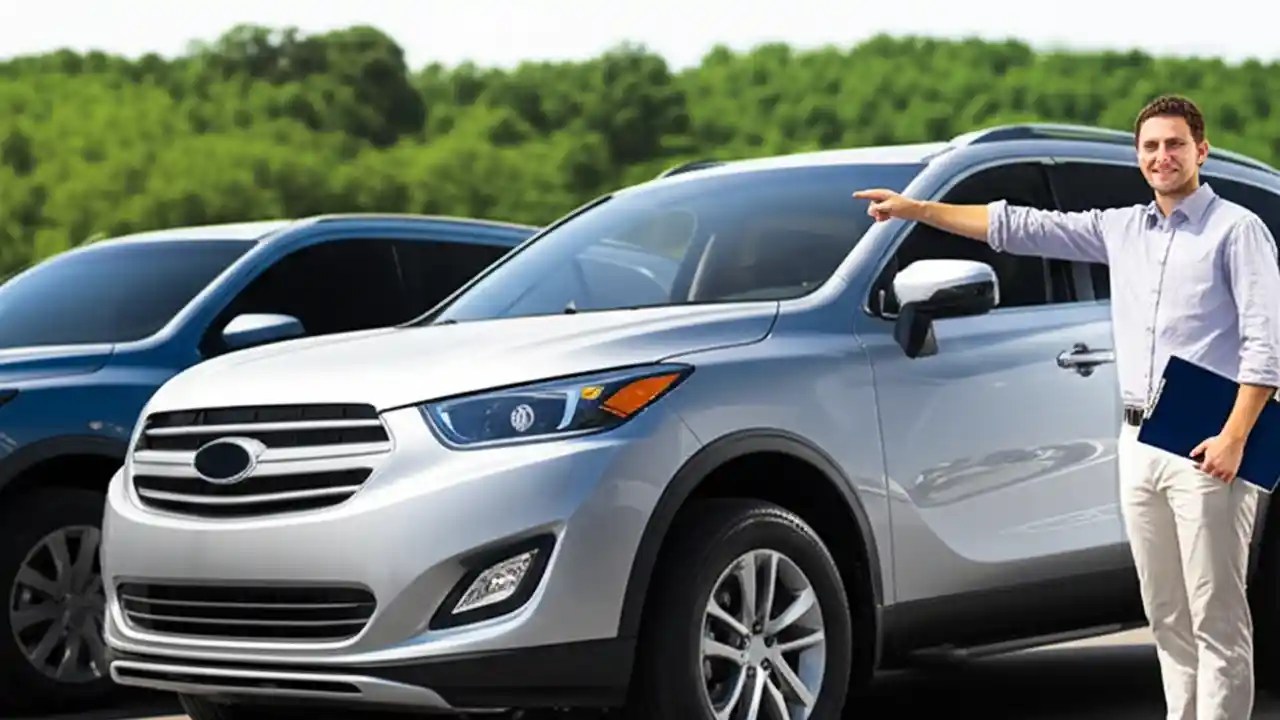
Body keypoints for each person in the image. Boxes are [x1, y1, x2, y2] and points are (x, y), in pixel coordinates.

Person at [854, 95, 1280, 720]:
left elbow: (1267, 344)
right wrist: (914, 211)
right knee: (1165, 613)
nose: (1162, 157)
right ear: (1139, 157)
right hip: (1139, 439)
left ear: (1201, 150)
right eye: (1150, 147)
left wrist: (1236, 437)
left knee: (1214, 614)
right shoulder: (1123, 229)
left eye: (1175, 144)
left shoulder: (1237, 230)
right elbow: (1017, 226)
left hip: (1211, 443)